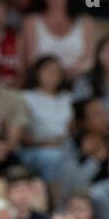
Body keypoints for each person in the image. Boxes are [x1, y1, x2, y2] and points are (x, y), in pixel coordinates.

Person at [20, 0, 94, 81]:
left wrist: (76, 70)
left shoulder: (86, 22)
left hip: (79, 83)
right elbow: (31, 61)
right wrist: (56, 74)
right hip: (43, 85)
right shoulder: (31, 22)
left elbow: (90, 60)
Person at [19, 54, 74, 182]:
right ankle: (53, 200)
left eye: (57, 70)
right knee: (54, 158)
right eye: (48, 69)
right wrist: (47, 143)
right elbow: (22, 135)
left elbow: (71, 128)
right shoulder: (25, 97)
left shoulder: (66, 98)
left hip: (64, 146)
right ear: (37, 72)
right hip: (36, 149)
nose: (53, 73)